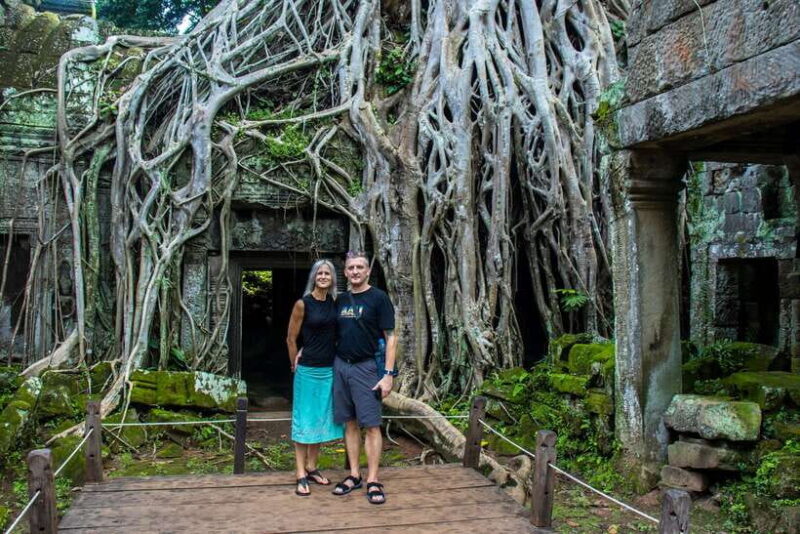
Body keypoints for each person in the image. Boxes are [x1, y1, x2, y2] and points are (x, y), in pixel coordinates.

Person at [331, 251, 397, 505]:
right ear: (345, 272)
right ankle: (354, 475)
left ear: (368, 271)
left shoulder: (379, 298)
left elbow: (391, 337)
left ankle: (373, 479)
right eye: (351, 268)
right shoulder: (341, 300)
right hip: (341, 366)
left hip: (366, 367)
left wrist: (388, 375)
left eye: (360, 267)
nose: (355, 271)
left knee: (371, 425)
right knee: (349, 423)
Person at [286, 259, 343, 497]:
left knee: (319, 421)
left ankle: (312, 467)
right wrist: (294, 362)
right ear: (314, 277)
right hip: (307, 370)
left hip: (328, 370)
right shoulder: (303, 304)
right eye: (319, 273)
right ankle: (300, 473)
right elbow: (290, 338)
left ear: (332, 278)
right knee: (304, 422)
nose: (323, 276)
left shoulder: (336, 303)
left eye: (327, 273)